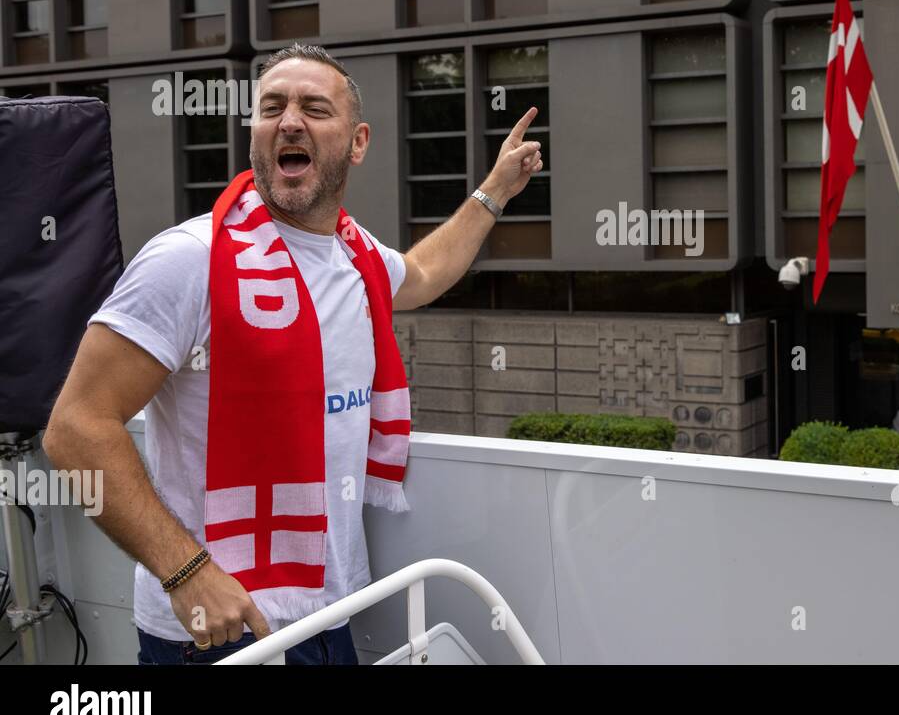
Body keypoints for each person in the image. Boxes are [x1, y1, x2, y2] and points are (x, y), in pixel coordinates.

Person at [42, 44, 544, 665]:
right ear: (255, 132)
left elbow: (421, 272)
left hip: (332, 615)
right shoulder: (189, 259)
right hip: (218, 634)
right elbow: (75, 428)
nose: (289, 120)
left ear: (358, 143)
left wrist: (495, 190)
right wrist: (186, 572)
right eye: (272, 106)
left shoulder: (356, 259)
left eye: (314, 107)